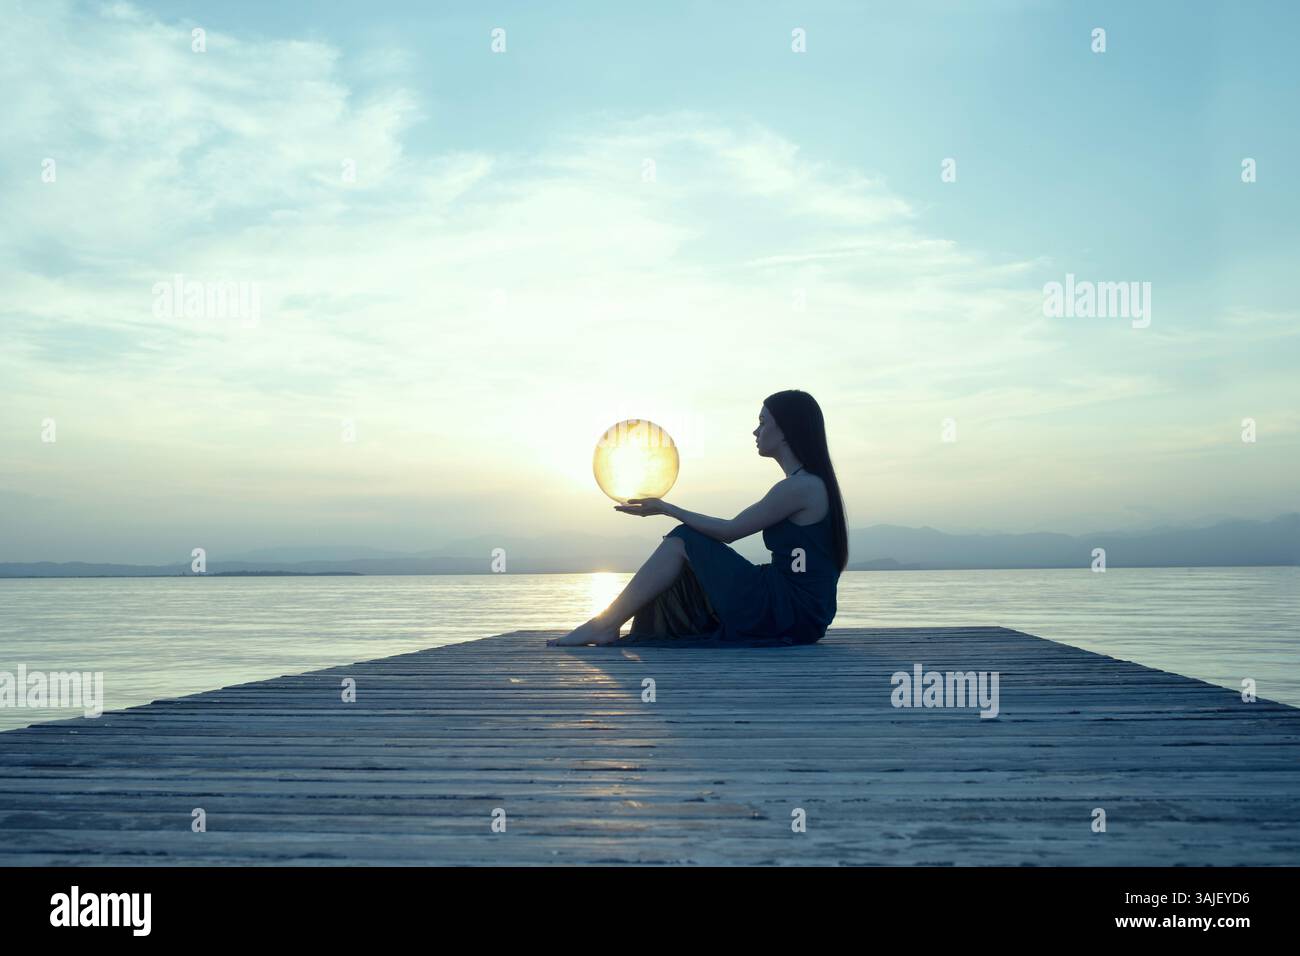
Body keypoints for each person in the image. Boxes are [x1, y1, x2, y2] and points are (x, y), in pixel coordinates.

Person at [548, 389, 848, 647]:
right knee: (689, 544)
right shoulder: (806, 484)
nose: (755, 432)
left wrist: (667, 508)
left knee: (683, 540)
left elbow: (730, 531)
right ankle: (605, 624)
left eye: (762, 423)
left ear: (785, 430)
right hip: (798, 609)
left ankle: (604, 624)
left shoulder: (800, 487)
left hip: (789, 610)